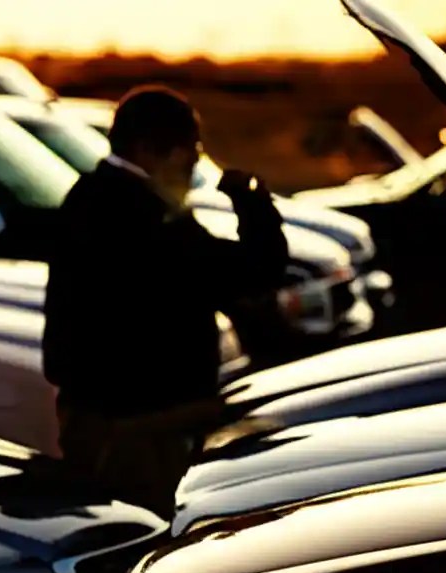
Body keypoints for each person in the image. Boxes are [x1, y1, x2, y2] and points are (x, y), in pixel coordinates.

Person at [42, 84, 289, 520]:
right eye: (189, 148)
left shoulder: (92, 196)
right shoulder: (141, 214)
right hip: (142, 430)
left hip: (102, 420)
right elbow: (248, 272)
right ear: (154, 150)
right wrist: (252, 203)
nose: (196, 160)